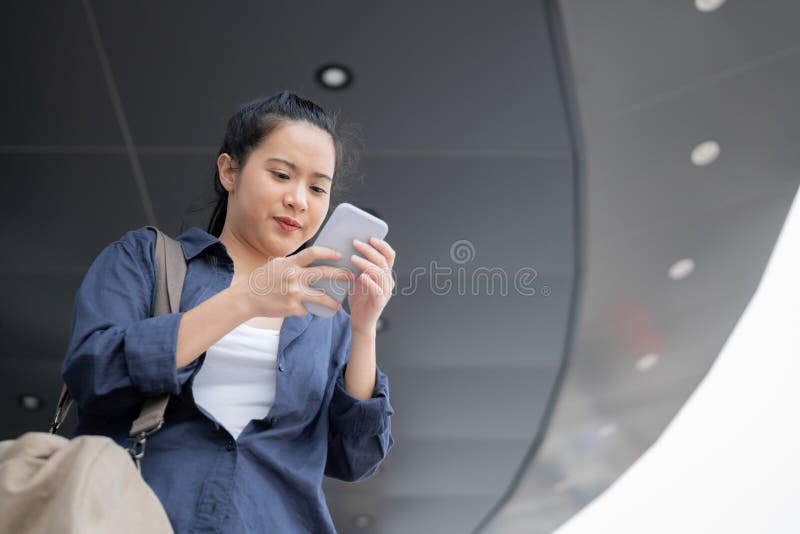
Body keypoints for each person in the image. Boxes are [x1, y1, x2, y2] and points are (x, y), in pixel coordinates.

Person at [60, 90, 396, 533]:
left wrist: (363, 328)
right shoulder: (146, 259)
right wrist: (247, 299)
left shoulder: (326, 317)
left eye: (318, 188)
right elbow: (94, 374)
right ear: (230, 171)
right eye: (281, 174)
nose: (299, 199)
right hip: (144, 516)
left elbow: (356, 458)